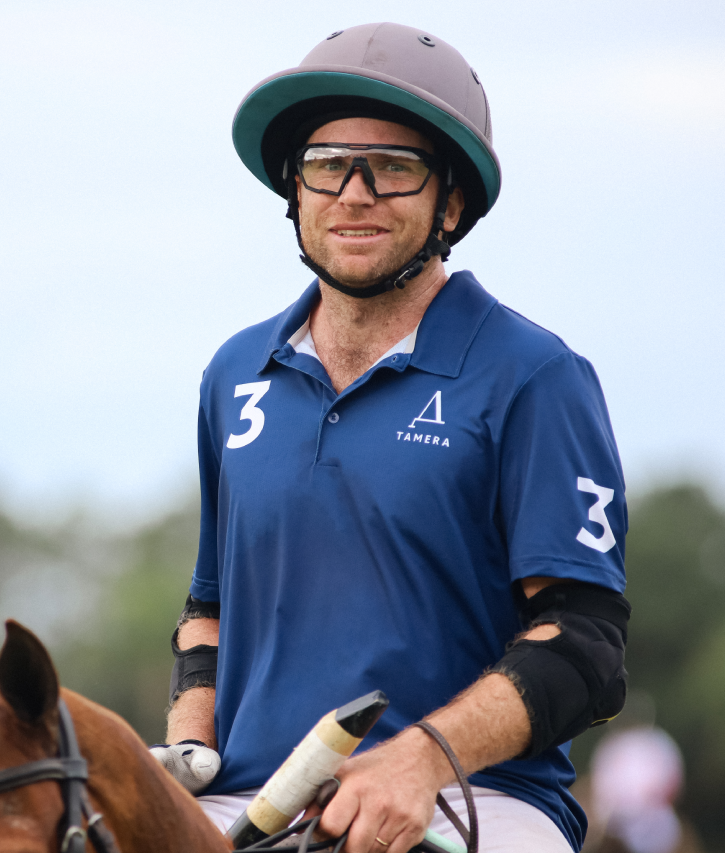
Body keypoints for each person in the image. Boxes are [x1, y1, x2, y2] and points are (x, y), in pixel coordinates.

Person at [148, 22, 630, 853]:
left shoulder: (532, 374)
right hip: (247, 799)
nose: (355, 192)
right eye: (329, 165)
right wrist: (191, 739)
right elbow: (208, 608)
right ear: (294, 190)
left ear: (451, 201)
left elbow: (583, 645)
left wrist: (419, 760)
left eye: (395, 168)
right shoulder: (235, 374)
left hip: (474, 800)